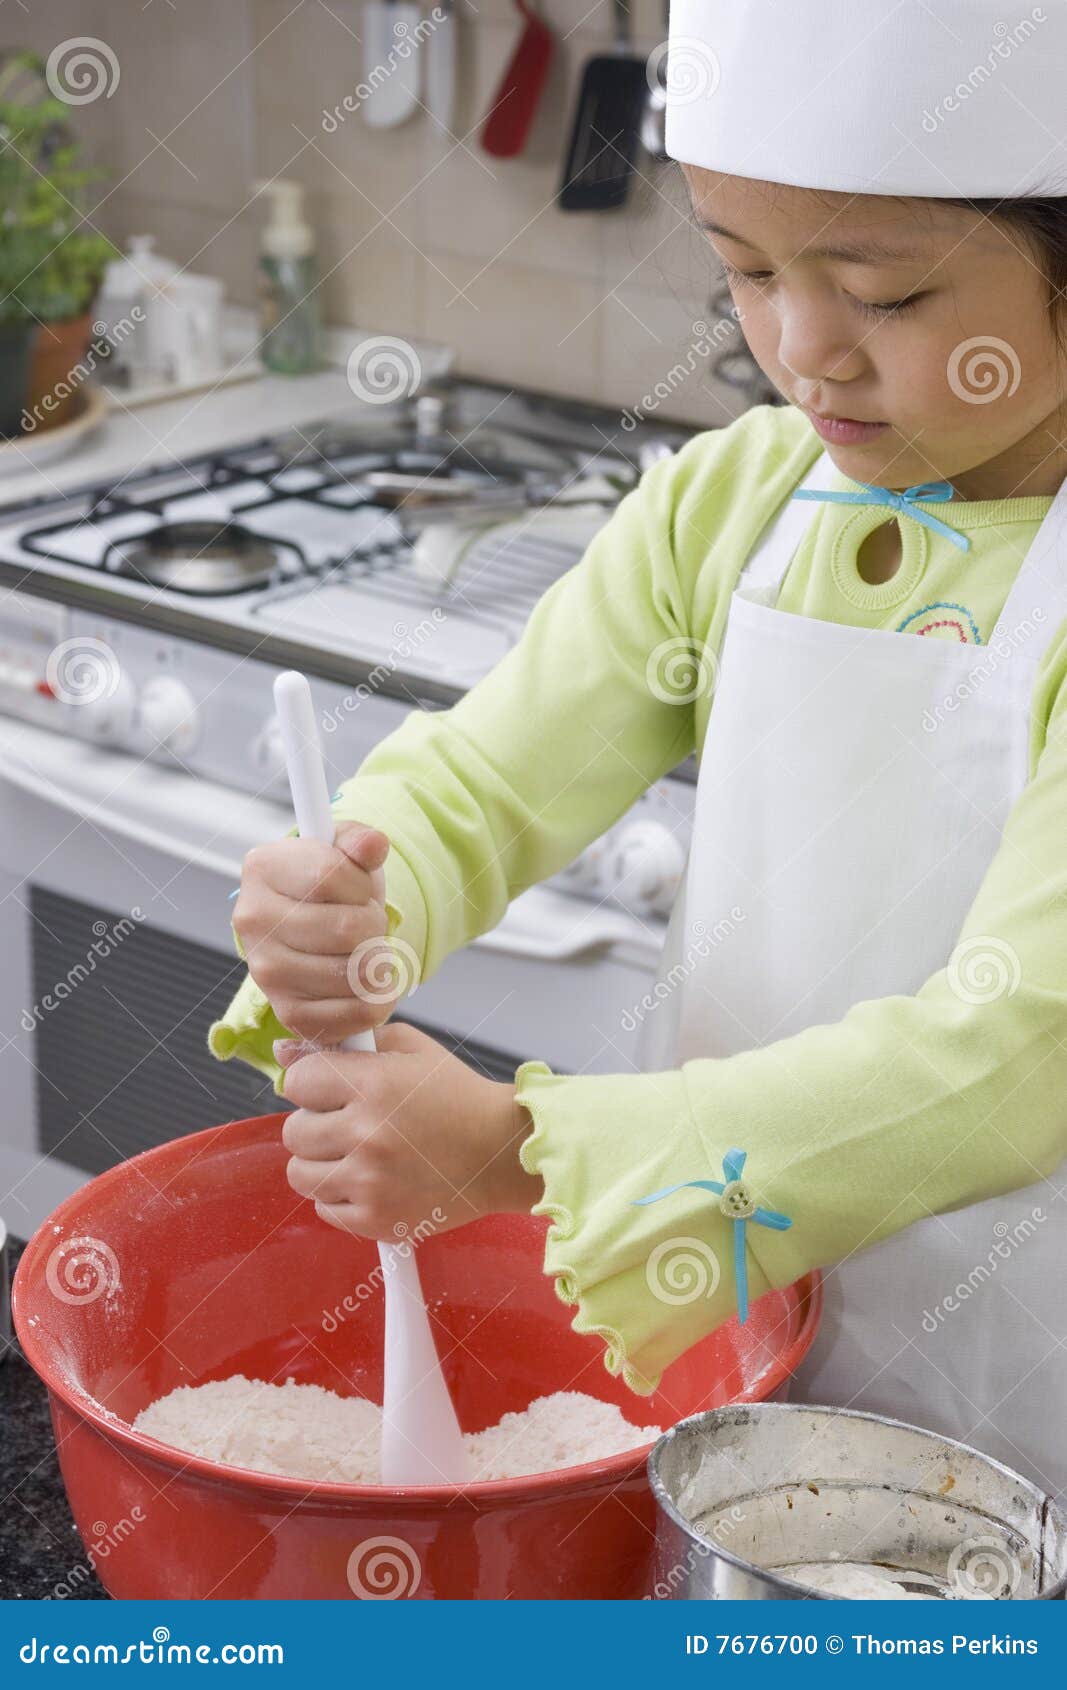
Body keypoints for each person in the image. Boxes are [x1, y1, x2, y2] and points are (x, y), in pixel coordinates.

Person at [212, 0, 1067, 1496]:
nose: (805, 354)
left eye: (887, 292)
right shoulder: (733, 502)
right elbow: (487, 775)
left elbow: (1014, 1059)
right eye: (744, 270)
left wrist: (518, 1157)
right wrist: (358, 893)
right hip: (735, 1348)